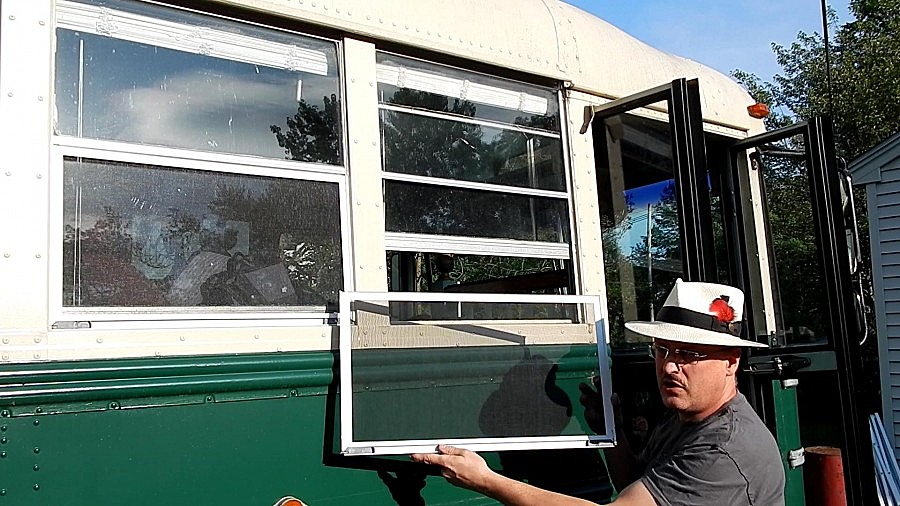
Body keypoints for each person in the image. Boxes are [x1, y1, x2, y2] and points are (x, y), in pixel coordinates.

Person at [411, 279, 786, 505]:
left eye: (690, 354)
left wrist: (487, 480)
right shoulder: (686, 418)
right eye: (663, 350)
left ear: (731, 361)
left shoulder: (724, 449)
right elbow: (633, 490)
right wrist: (612, 432)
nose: (670, 366)